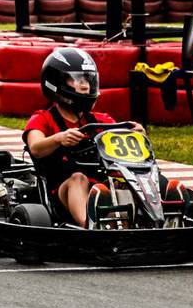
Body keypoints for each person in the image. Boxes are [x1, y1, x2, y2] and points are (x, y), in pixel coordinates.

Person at [23, 46, 140, 228]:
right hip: (62, 190)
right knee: (78, 178)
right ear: (56, 82)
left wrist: (134, 134)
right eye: (77, 79)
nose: (85, 85)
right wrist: (58, 139)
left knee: (128, 178)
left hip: (101, 184)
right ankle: (89, 225)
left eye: (87, 79)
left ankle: (157, 217)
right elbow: (35, 148)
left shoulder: (101, 120)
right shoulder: (43, 118)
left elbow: (120, 143)